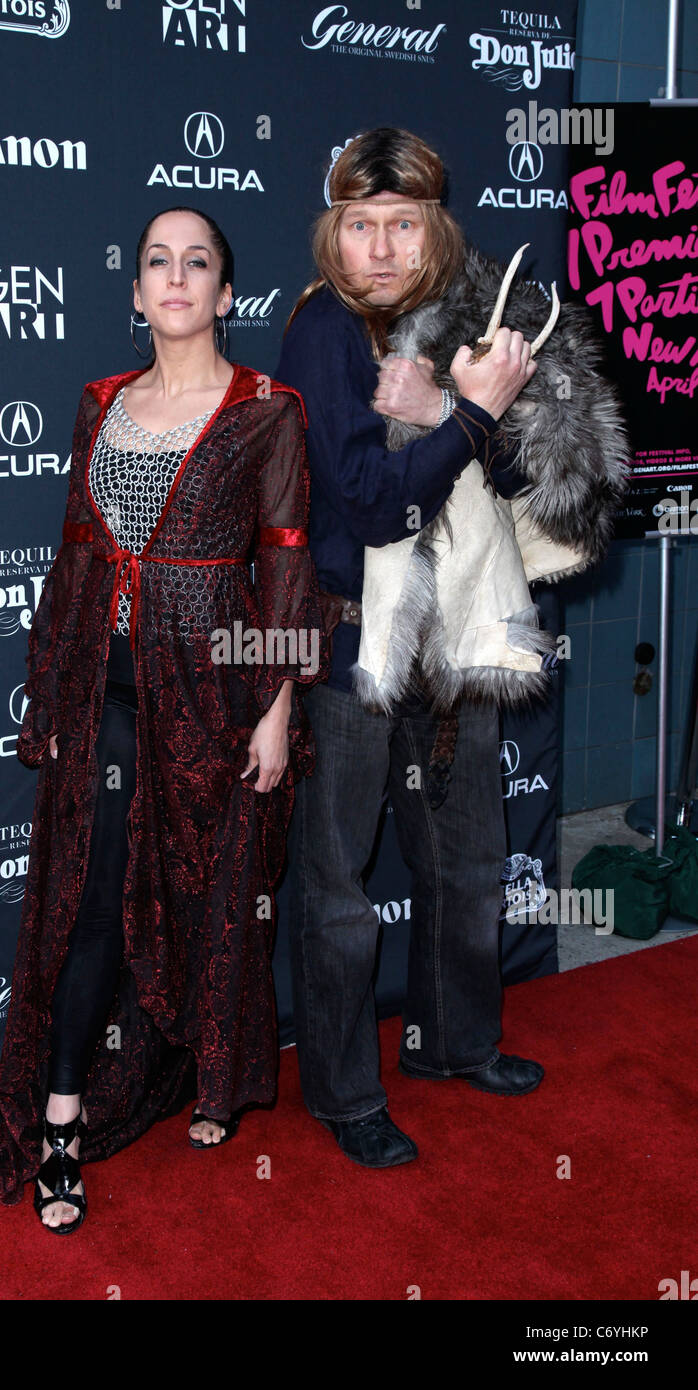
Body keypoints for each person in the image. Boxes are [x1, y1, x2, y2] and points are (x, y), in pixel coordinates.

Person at [0, 205, 326, 1228]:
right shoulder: (98, 402)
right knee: (93, 898)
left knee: (215, 891)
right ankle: (60, 1116)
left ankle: (207, 1076)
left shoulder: (264, 410)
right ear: (136, 290)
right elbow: (72, 561)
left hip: (216, 696)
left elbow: (285, 562)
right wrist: (57, 687)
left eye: (199, 262)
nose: (177, 276)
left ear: (225, 294)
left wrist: (278, 707)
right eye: (159, 260)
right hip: (106, 695)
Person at [274, 126, 626, 1169]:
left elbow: (540, 493)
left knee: (468, 857)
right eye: (358, 226)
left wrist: (479, 419)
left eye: (400, 225)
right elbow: (376, 503)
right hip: (355, 645)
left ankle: (453, 1041)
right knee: (338, 886)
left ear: (433, 230)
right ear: (331, 233)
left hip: (458, 632)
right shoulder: (320, 333)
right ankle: (342, 1093)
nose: (377, 248)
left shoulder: (470, 317)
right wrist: (467, 415)